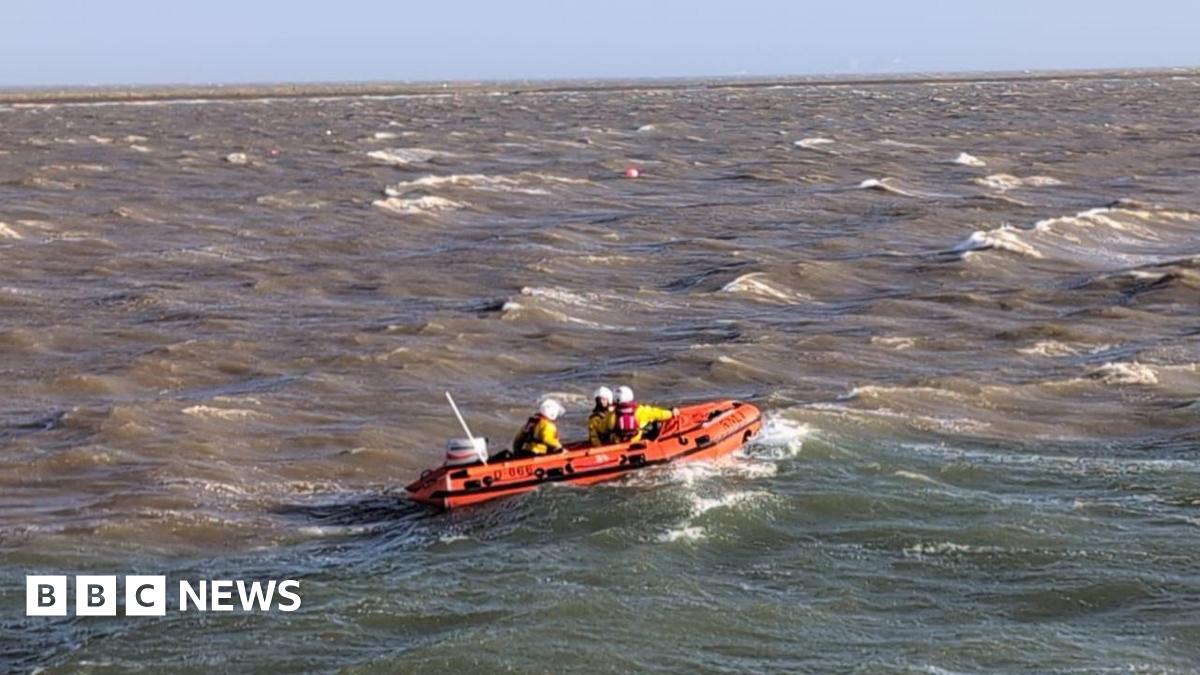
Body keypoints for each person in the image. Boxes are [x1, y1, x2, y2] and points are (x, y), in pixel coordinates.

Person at [609, 386, 677, 443]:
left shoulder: (611, 414)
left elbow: (603, 427)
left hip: (618, 442)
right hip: (635, 439)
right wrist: (671, 413)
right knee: (653, 424)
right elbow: (660, 414)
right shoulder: (641, 411)